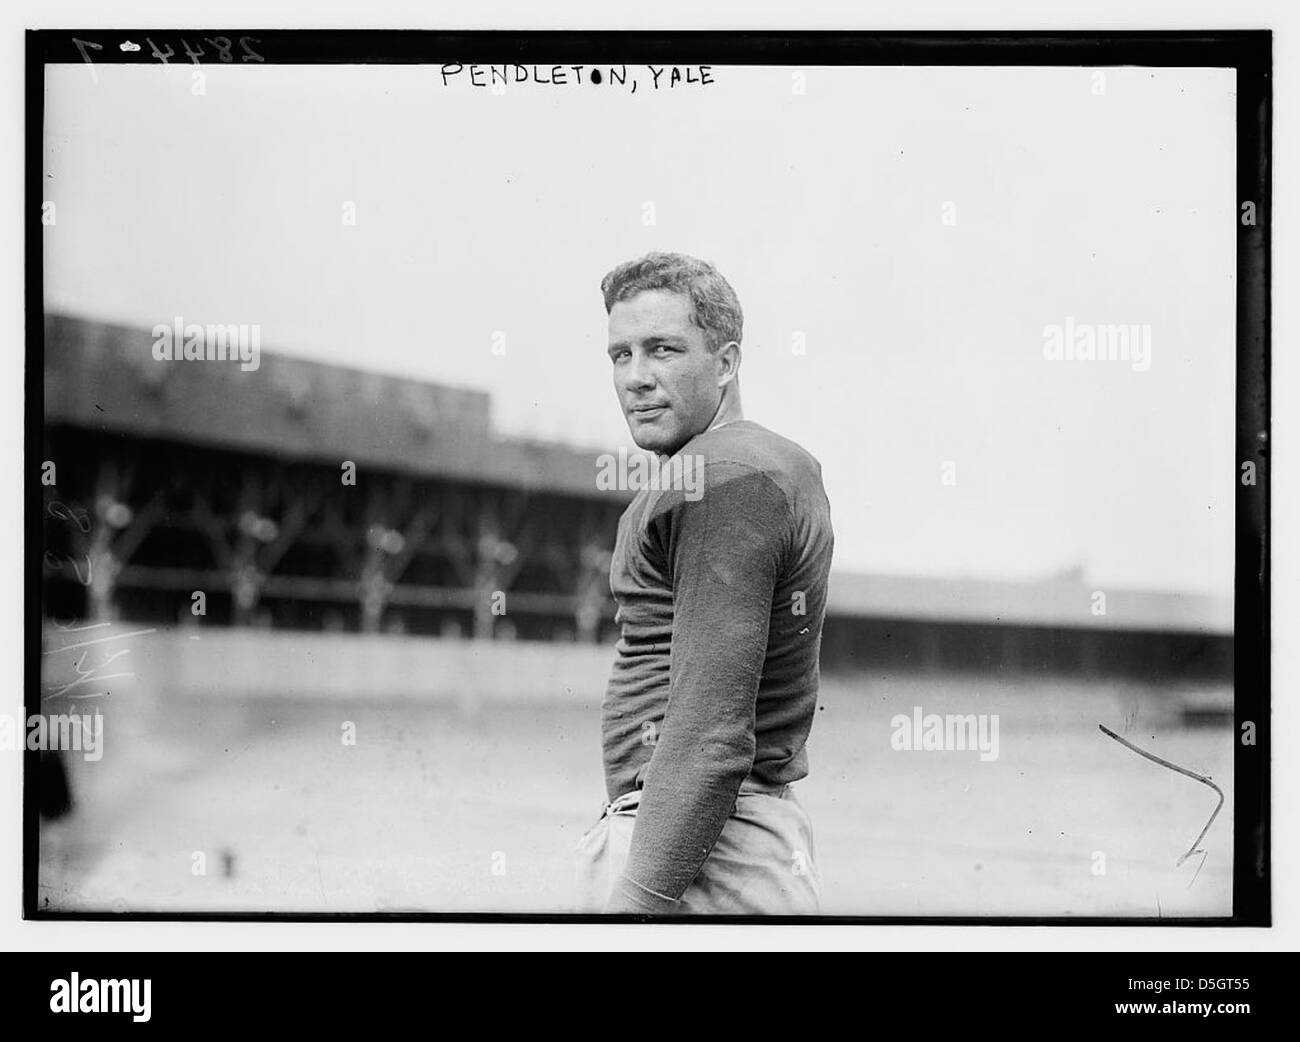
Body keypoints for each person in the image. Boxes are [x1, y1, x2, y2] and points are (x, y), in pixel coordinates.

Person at [576, 251, 834, 914]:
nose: (636, 378)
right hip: (722, 841)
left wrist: (636, 902)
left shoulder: (723, 476)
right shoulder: (747, 465)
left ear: (725, 363)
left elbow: (710, 734)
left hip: (708, 854)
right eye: (619, 355)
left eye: (662, 350)